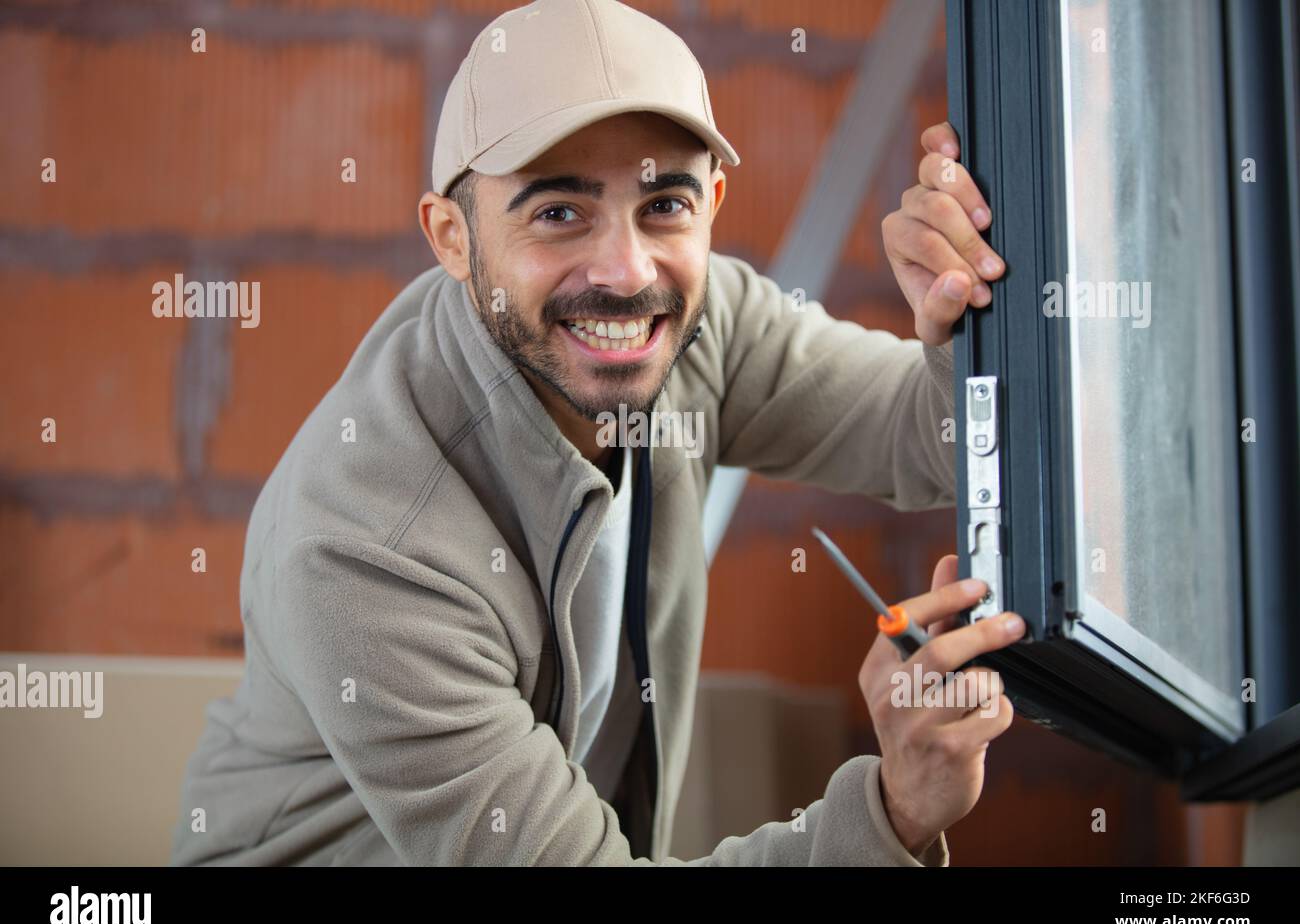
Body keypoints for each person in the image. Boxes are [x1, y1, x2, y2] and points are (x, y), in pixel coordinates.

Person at [170, 0, 1021, 866]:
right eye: (558, 213)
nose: (626, 272)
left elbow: (930, 435)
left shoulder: (698, 321)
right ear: (452, 238)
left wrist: (968, 314)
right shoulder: (364, 546)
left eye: (664, 204)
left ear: (712, 204)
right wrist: (890, 815)